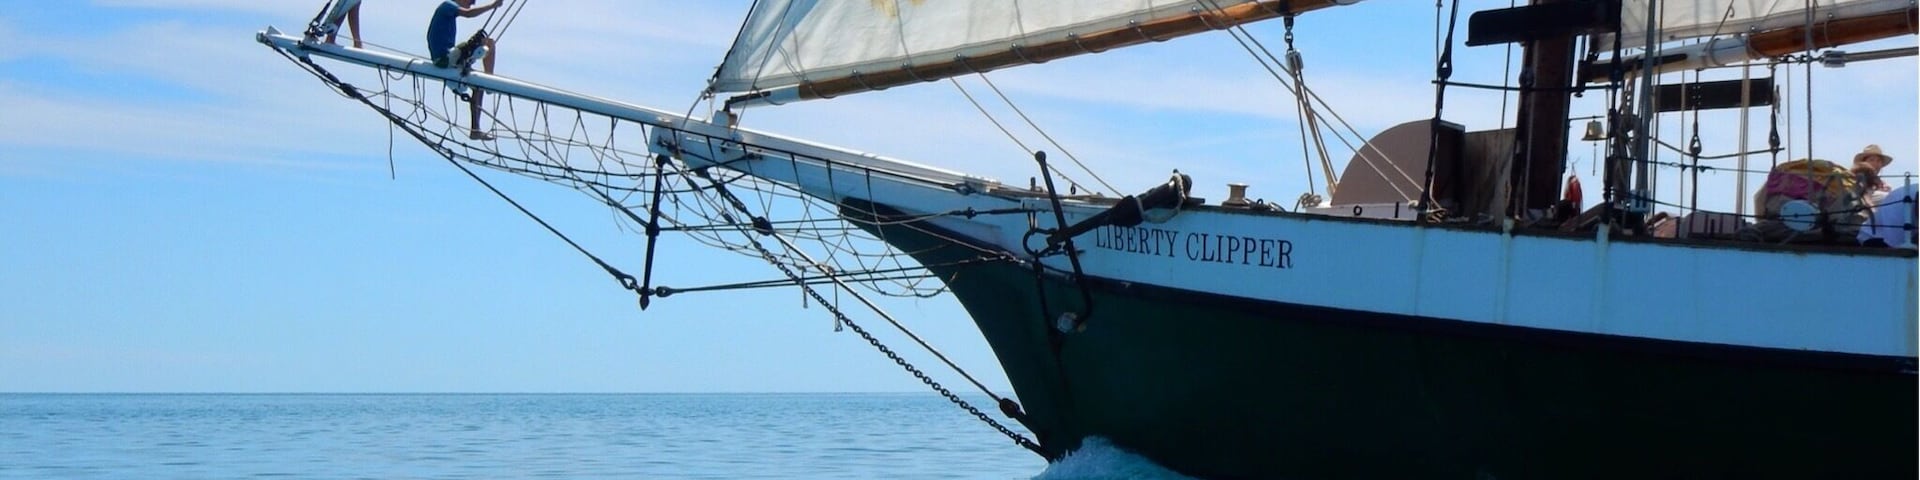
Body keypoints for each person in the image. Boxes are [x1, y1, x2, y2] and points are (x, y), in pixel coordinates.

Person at [427, 0, 504, 140]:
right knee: (484, 42)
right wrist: (492, 6)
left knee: (478, 84)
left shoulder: (448, 10)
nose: (472, 4)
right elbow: (468, 14)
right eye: (471, 1)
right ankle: (490, 83)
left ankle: (475, 129)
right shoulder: (448, 5)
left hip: (449, 59)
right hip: (444, 59)